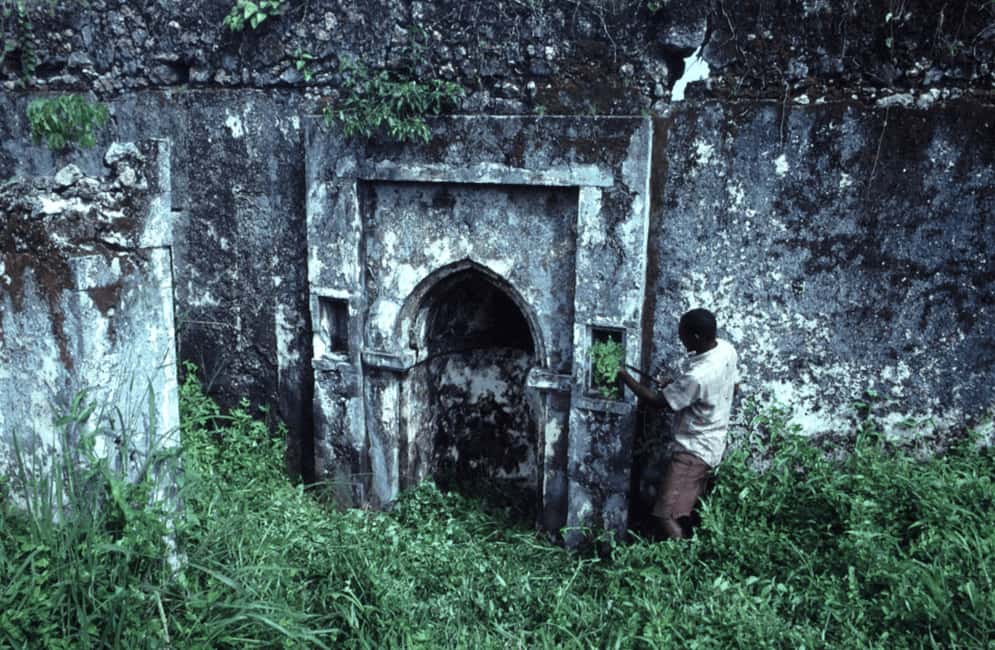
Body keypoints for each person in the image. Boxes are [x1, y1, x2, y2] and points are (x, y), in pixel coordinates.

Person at [618, 308, 739, 540]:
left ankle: (683, 564)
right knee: (687, 508)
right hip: (714, 442)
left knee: (665, 514)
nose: (680, 340)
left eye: (683, 335)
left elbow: (656, 402)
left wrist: (625, 377)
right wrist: (678, 385)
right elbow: (733, 386)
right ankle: (691, 549)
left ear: (696, 337)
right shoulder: (725, 350)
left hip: (695, 450)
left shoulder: (698, 376)